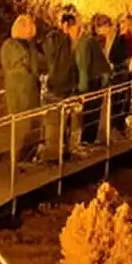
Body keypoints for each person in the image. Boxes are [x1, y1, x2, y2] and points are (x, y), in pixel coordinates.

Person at [0, 14, 43, 163]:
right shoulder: (10, 45)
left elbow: (39, 64)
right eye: (30, 25)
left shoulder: (31, 46)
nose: (33, 28)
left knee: (33, 132)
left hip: (32, 97)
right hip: (19, 98)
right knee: (21, 133)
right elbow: (20, 66)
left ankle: (28, 159)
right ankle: (16, 163)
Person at [40, 12, 80, 163]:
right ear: (66, 26)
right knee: (55, 124)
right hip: (58, 88)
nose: (77, 30)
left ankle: (64, 152)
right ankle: (53, 155)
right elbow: (58, 63)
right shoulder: (57, 41)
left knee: (67, 124)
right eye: (75, 26)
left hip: (66, 87)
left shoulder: (65, 42)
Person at [76, 14, 113, 145]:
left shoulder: (92, 41)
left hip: (93, 81)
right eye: (106, 26)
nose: (109, 30)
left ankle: (88, 139)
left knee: (92, 114)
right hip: (93, 82)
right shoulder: (92, 42)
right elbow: (89, 64)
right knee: (91, 114)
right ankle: (87, 141)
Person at [108, 16, 132, 134]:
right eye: (120, 23)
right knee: (117, 99)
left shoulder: (129, 39)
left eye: (124, 23)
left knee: (124, 99)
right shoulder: (118, 38)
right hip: (118, 73)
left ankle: (120, 123)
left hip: (125, 73)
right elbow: (112, 55)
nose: (122, 26)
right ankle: (116, 123)